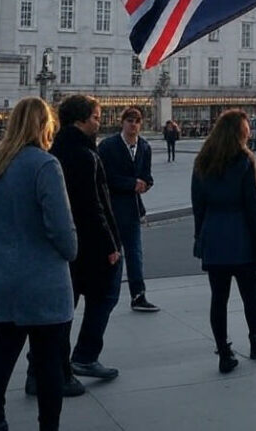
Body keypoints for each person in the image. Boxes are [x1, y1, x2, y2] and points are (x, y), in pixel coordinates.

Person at [0, 97, 78, 431]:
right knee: (48, 357)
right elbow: (60, 227)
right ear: (44, 125)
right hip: (41, 277)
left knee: (3, 348)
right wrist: (71, 251)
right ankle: (48, 426)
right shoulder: (44, 165)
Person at [191, 110, 256, 374]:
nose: (249, 129)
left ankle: (224, 352)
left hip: (214, 235)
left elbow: (198, 206)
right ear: (239, 132)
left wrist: (200, 236)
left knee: (219, 298)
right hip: (242, 235)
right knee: (251, 295)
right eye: (246, 126)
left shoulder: (202, 161)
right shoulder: (243, 161)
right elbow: (252, 206)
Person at [50, 94, 122, 383]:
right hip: (90, 245)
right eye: (95, 117)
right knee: (103, 298)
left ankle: (42, 368)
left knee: (64, 308)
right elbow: (94, 205)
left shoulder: (55, 151)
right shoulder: (84, 155)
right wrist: (111, 245)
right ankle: (84, 357)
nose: (99, 121)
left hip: (68, 244)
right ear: (80, 120)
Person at [98, 107, 158, 313]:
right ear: (122, 123)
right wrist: (131, 184)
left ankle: (138, 295)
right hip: (113, 208)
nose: (133, 125)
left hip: (132, 208)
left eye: (137, 121)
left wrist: (146, 184)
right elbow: (104, 177)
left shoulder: (144, 147)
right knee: (113, 254)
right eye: (130, 120)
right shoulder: (108, 146)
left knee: (135, 254)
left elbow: (147, 175)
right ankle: (106, 293)